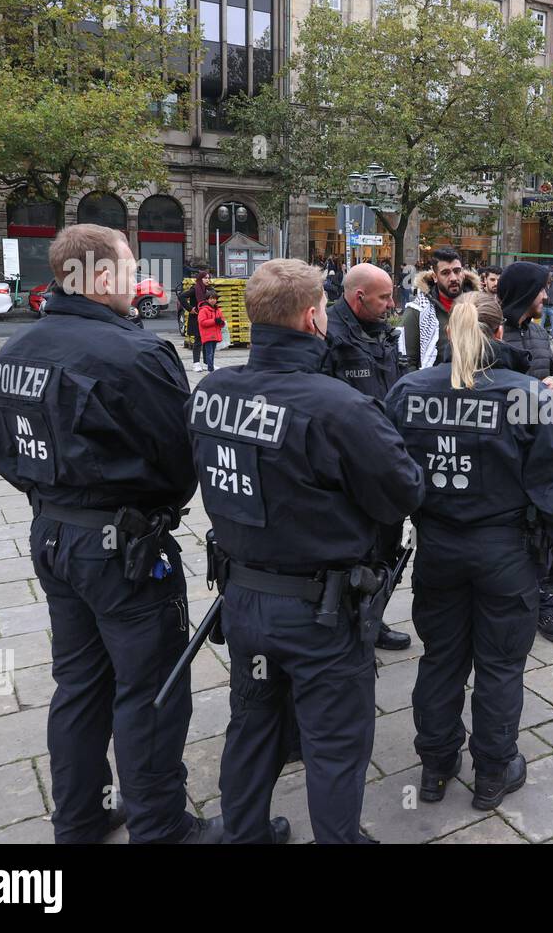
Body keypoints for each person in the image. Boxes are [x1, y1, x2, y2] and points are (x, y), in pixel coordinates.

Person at [0, 224, 217, 843]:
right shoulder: (136, 354)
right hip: (123, 550)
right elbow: (179, 460)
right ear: (100, 276)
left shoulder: (14, 354)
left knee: (79, 684)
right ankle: (160, 827)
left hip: (54, 535)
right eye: (132, 266)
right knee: (150, 689)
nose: (141, 279)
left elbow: (3, 451)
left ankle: (79, 819)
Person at [190, 258, 423, 843]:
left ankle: (244, 833)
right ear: (315, 316)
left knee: (253, 721)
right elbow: (401, 491)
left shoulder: (212, 391)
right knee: (335, 738)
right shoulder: (338, 406)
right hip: (320, 609)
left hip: (243, 596)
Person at [385, 291, 553, 810]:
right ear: (500, 334)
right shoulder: (526, 394)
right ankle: (492, 771)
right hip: (505, 552)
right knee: (499, 665)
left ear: (449, 333)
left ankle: (436, 764)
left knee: (442, 659)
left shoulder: (409, 390)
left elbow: (385, 474)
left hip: (439, 547)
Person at [322, 261, 416, 651]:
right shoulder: (329, 333)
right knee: (352, 552)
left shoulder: (384, 333)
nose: (392, 304)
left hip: (384, 455)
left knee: (387, 548)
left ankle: (371, 622)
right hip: (346, 465)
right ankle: (344, 625)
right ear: (358, 297)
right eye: (383, 297)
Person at [497, 261, 553, 644]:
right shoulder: (493, 333)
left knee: (546, 528)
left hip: (545, 447)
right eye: (541, 290)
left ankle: (544, 606)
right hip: (509, 453)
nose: (546, 296)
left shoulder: (541, 331)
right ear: (525, 293)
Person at [402, 247, 479, 369]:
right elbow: (407, 363)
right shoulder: (417, 311)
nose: (453, 278)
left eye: (457, 271)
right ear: (435, 276)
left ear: (463, 273)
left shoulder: (479, 306)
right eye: (445, 273)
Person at [184, 269, 210, 371]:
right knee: (198, 340)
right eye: (205, 278)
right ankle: (196, 363)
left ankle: (208, 363)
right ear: (200, 279)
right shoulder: (195, 289)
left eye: (208, 278)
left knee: (206, 341)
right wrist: (190, 309)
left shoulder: (208, 289)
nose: (207, 280)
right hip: (196, 318)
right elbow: (182, 297)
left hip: (206, 318)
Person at [197, 288, 225, 373]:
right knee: (209, 353)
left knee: (212, 353)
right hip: (208, 335)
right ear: (207, 299)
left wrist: (221, 322)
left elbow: (222, 321)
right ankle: (210, 369)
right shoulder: (204, 310)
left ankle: (211, 367)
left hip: (215, 334)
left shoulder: (218, 309)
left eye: (214, 298)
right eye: (211, 298)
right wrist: (214, 321)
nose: (213, 300)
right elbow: (202, 322)